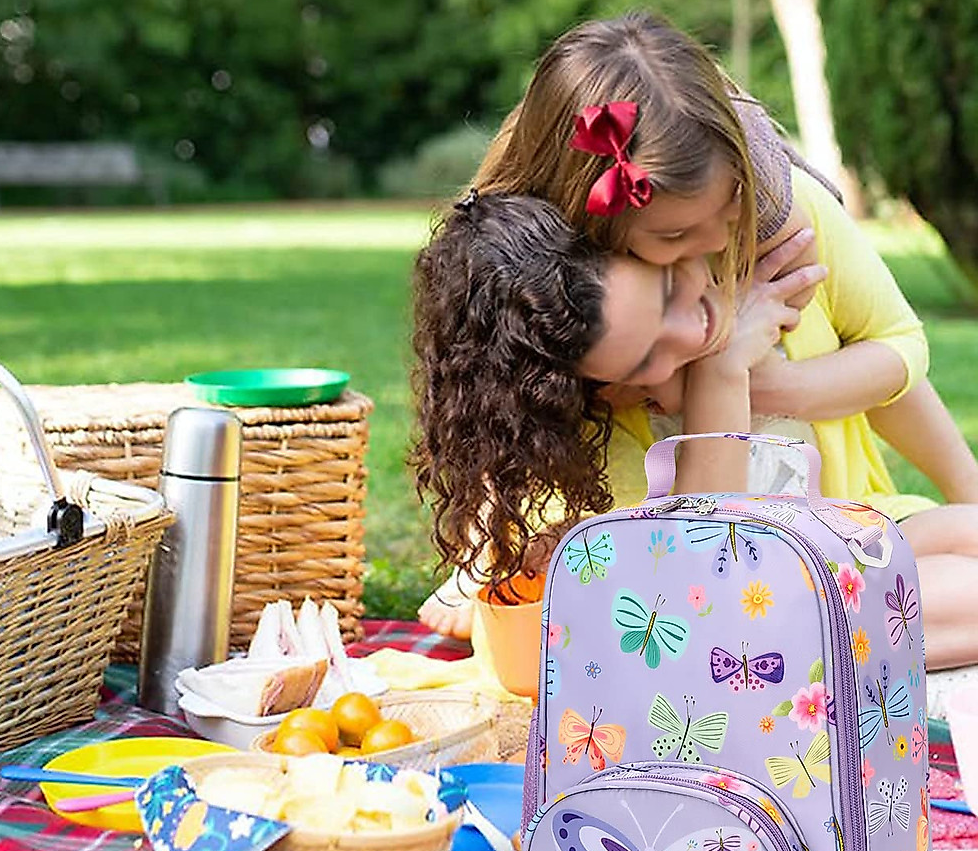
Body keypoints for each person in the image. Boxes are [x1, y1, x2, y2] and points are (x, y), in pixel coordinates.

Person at [410, 188, 978, 672]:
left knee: (964, 530)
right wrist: (722, 371)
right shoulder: (611, 424)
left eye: (667, 298)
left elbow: (895, 364)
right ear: (595, 387)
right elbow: (701, 572)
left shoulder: (756, 257)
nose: (692, 335)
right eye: (642, 362)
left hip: (844, 536)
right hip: (742, 606)